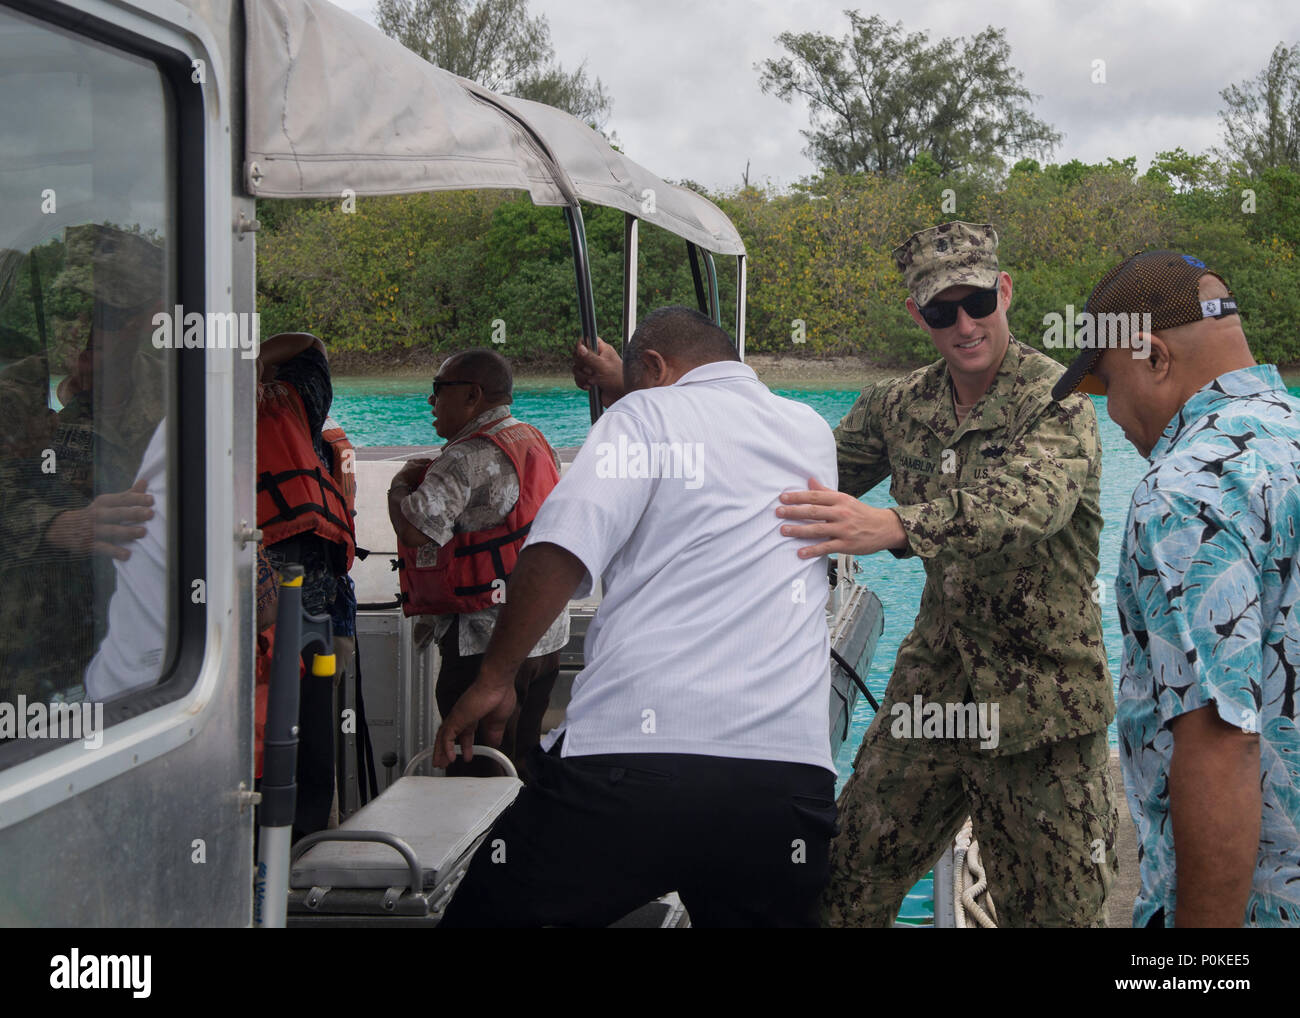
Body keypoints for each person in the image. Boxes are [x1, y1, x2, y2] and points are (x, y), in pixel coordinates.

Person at [573, 225, 1120, 926]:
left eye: (978, 301)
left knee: (1056, 916)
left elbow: (1031, 503)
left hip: (1046, 707)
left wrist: (896, 525)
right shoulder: (899, 405)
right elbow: (775, 467)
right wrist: (644, 390)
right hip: (935, 694)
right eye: (940, 310)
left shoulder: (1059, 399)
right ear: (916, 315)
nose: (964, 324)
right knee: (842, 885)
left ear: (1005, 291)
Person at [434, 306, 839, 928]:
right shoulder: (810, 428)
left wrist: (494, 679)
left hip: (628, 769)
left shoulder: (643, 415)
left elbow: (558, 550)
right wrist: (626, 382)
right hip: (786, 784)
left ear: (651, 367)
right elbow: (708, 426)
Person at [1052, 251, 1300, 928]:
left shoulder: (1187, 489)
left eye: (1108, 386)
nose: (1117, 417)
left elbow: (1223, 740)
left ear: (1153, 357)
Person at [387, 349, 566, 779]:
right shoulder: (536, 440)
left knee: (476, 774)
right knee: (522, 764)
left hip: (485, 646)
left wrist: (398, 486)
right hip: (544, 637)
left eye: (437, 391)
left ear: (472, 395)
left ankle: (487, 849)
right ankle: (521, 845)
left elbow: (417, 529)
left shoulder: (463, 457)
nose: (430, 403)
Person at [256, 331, 357, 838]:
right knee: (302, 741)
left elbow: (310, 345)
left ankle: (303, 850)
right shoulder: (295, 405)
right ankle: (299, 846)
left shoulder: (288, 403)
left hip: (301, 618)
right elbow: (310, 348)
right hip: (300, 617)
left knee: (303, 744)